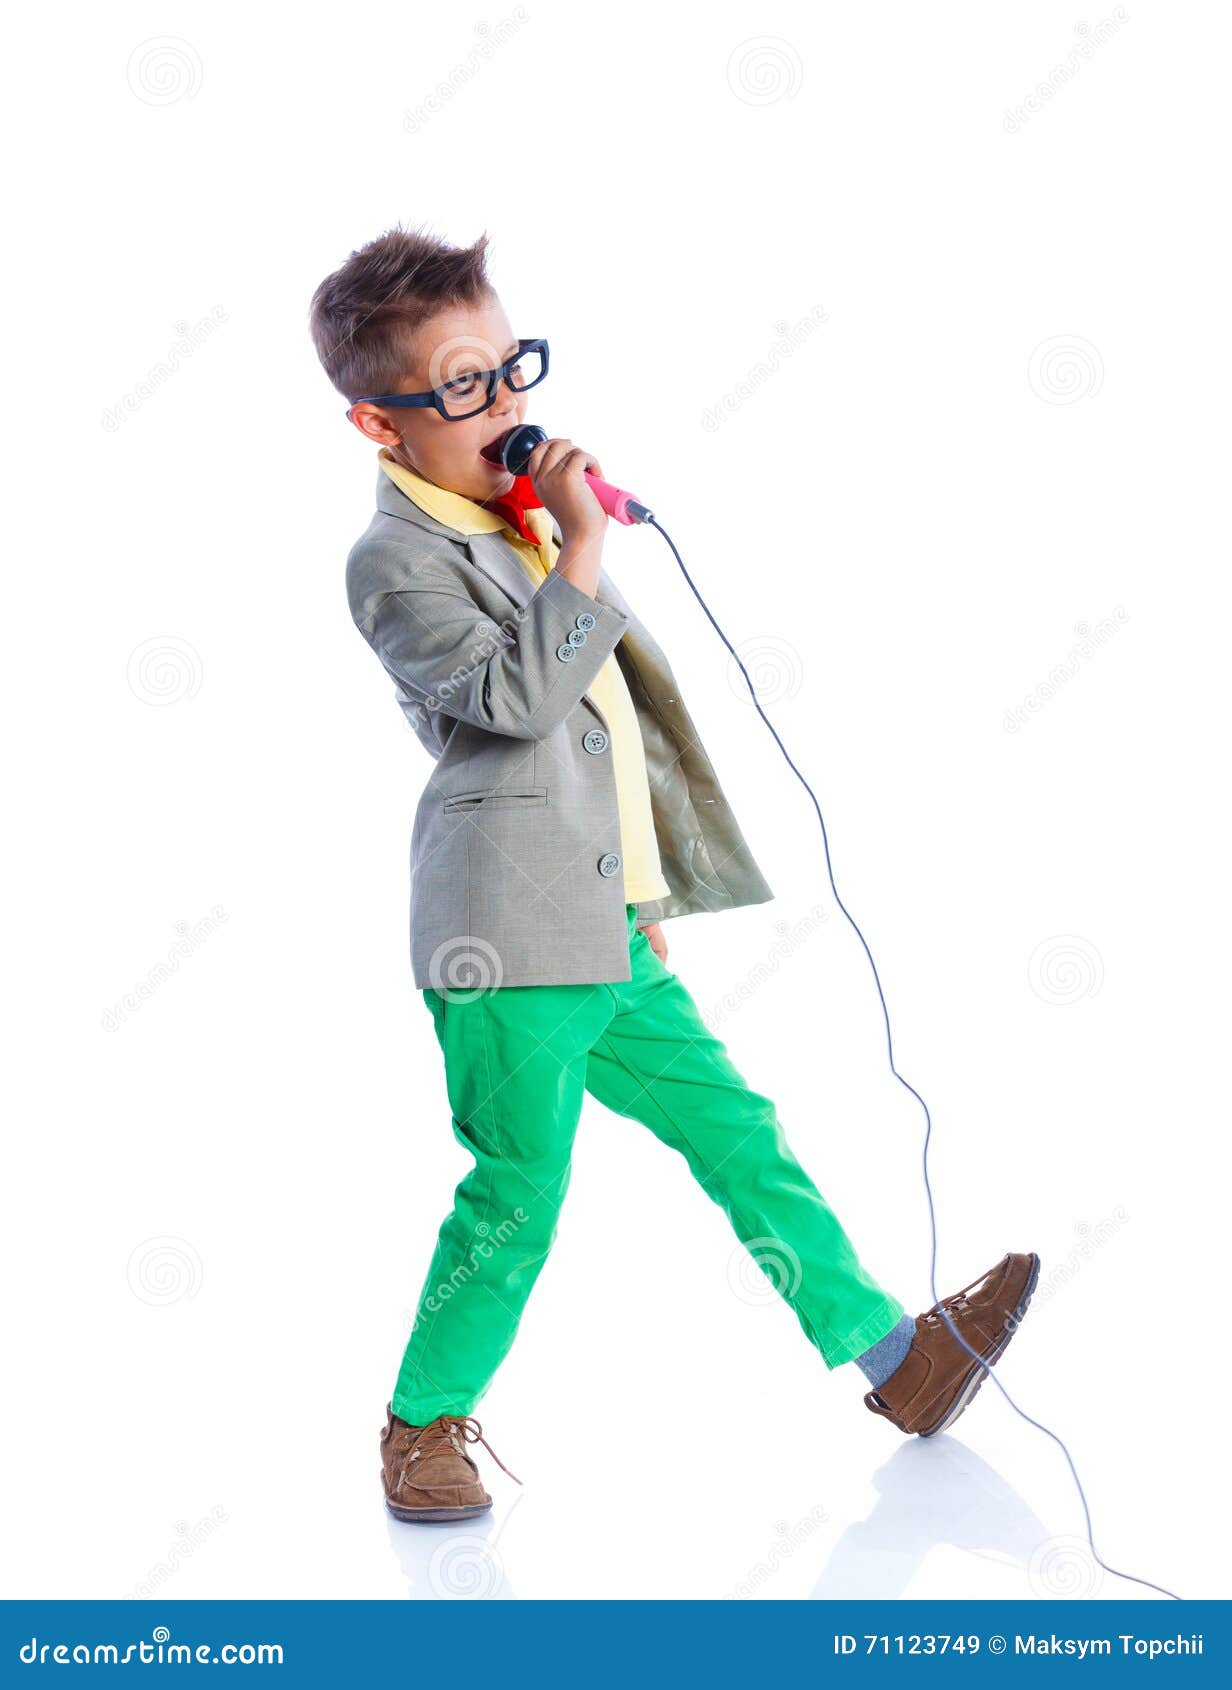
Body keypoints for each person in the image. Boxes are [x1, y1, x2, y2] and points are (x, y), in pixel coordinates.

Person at [308, 226, 1039, 1524]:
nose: (508, 408)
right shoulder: (397, 560)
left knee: (738, 1132)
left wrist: (635, 885)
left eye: (511, 372)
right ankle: (421, 1425)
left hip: (603, 932)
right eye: (464, 387)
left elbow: (603, 733)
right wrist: (580, 546)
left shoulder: (515, 520)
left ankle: (899, 1362)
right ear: (379, 421)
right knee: (519, 1194)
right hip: (505, 951)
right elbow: (519, 702)